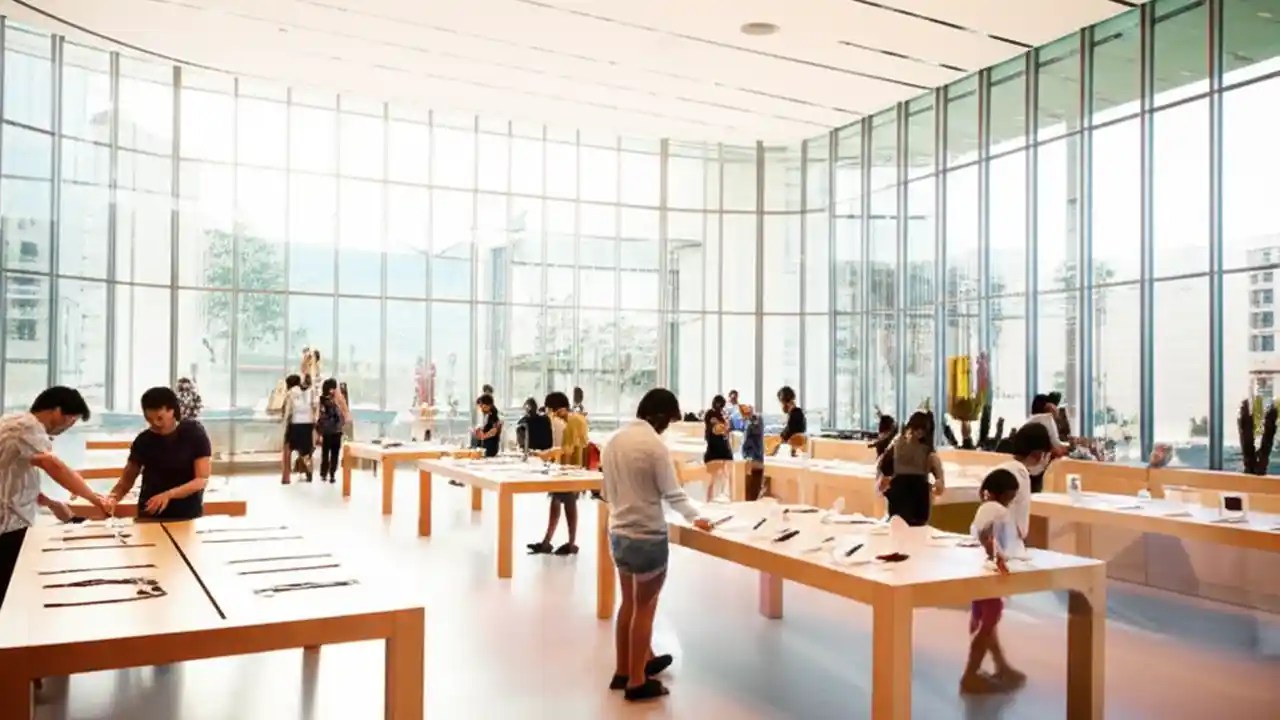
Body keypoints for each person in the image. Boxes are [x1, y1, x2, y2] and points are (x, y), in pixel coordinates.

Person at [602, 388, 713, 702]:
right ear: (662, 416)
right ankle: (638, 681)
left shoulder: (614, 442)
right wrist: (697, 517)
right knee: (645, 609)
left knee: (626, 604)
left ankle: (622, 671)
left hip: (619, 534)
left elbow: (607, 491)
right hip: (648, 537)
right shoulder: (654, 446)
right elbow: (673, 494)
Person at [1, 387, 110, 607]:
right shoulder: (29, 427)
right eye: (72, 421)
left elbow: (12, 471)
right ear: (59, 412)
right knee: (10, 595)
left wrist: (45, 500)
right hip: (10, 525)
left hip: (11, 516)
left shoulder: (10, 421)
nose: (69, 427)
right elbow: (54, 466)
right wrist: (95, 498)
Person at [960, 468, 1026, 694]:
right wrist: (995, 554)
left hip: (979, 572)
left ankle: (1001, 665)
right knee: (988, 625)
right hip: (991, 572)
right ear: (1007, 494)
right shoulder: (998, 511)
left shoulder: (985, 508)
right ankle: (970, 673)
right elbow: (989, 535)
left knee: (987, 622)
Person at [105, 386, 213, 521]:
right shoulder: (143, 441)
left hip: (186, 515)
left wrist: (168, 495)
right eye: (149, 419)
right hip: (150, 514)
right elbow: (125, 482)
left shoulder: (193, 433)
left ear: (172, 410)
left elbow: (201, 480)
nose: (155, 423)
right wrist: (112, 498)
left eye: (159, 418)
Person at [528, 392, 588, 555]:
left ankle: (571, 542)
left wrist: (547, 453)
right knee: (555, 500)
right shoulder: (567, 420)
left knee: (569, 504)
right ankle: (547, 541)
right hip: (563, 467)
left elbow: (569, 448)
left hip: (572, 469)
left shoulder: (575, 420)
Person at [989, 423, 1054, 558]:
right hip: (1011, 551)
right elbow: (1022, 528)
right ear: (1038, 454)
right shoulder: (1022, 475)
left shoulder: (1000, 468)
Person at [876, 411, 945, 527]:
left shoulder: (926, 450)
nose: (917, 433)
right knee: (901, 524)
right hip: (902, 490)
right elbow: (883, 464)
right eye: (915, 429)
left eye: (921, 430)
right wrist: (882, 480)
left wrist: (939, 482)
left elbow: (938, 471)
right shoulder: (899, 442)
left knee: (913, 525)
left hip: (916, 492)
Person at [1025, 395, 1069, 492]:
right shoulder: (1046, 419)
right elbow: (1057, 446)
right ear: (1048, 407)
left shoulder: (1030, 420)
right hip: (1040, 468)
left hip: (1027, 467)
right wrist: (1072, 447)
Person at [281, 374, 317, 483]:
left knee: (287, 449)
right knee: (305, 451)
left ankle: (286, 477)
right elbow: (314, 406)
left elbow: (288, 411)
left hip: (295, 423)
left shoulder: (290, 393)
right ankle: (309, 471)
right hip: (307, 424)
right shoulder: (309, 391)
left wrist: (284, 422)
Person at [316, 378, 350, 484]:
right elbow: (345, 413)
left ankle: (325, 473)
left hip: (327, 431)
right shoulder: (338, 399)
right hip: (335, 430)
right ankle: (331, 474)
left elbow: (319, 415)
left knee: (326, 452)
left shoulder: (322, 399)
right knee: (333, 453)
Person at [702, 395, 734, 502]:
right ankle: (709, 500)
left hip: (721, 449)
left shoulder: (721, 415)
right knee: (712, 479)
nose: (721, 407)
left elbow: (725, 430)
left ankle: (728, 498)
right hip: (715, 450)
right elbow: (716, 429)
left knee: (727, 477)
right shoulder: (711, 414)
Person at [740, 404, 766, 500]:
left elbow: (754, 431)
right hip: (753, 458)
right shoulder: (751, 422)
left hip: (754, 458)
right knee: (752, 488)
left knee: (753, 489)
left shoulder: (754, 422)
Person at [774, 386, 806, 456]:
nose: (781, 406)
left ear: (783, 401)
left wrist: (778, 440)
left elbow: (789, 434)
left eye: (781, 402)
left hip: (794, 451)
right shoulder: (796, 413)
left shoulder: (795, 414)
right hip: (795, 450)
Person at [474, 393, 502, 458]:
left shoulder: (494, 417)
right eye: (480, 407)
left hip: (490, 448)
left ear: (489, 406)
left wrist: (483, 436)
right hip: (485, 448)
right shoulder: (487, 415)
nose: (481, 409)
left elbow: (494, 431)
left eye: (483, 407)